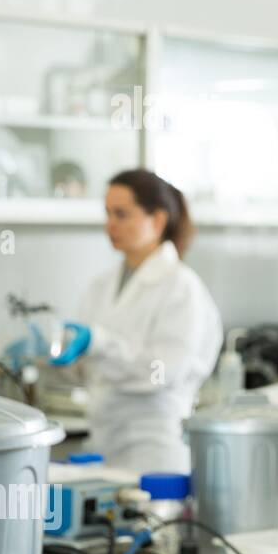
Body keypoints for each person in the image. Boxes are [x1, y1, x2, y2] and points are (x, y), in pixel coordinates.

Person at [52, 169, 222, 473]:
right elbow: (89, 372)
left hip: (155, 449)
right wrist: (56, 355)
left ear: (157, 220)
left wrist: (98, 343)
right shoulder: (100, 286)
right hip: (104, 441)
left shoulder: (181, 287)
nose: (110, 225)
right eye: (107, 214)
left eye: (121, 214)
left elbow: (163, 371)